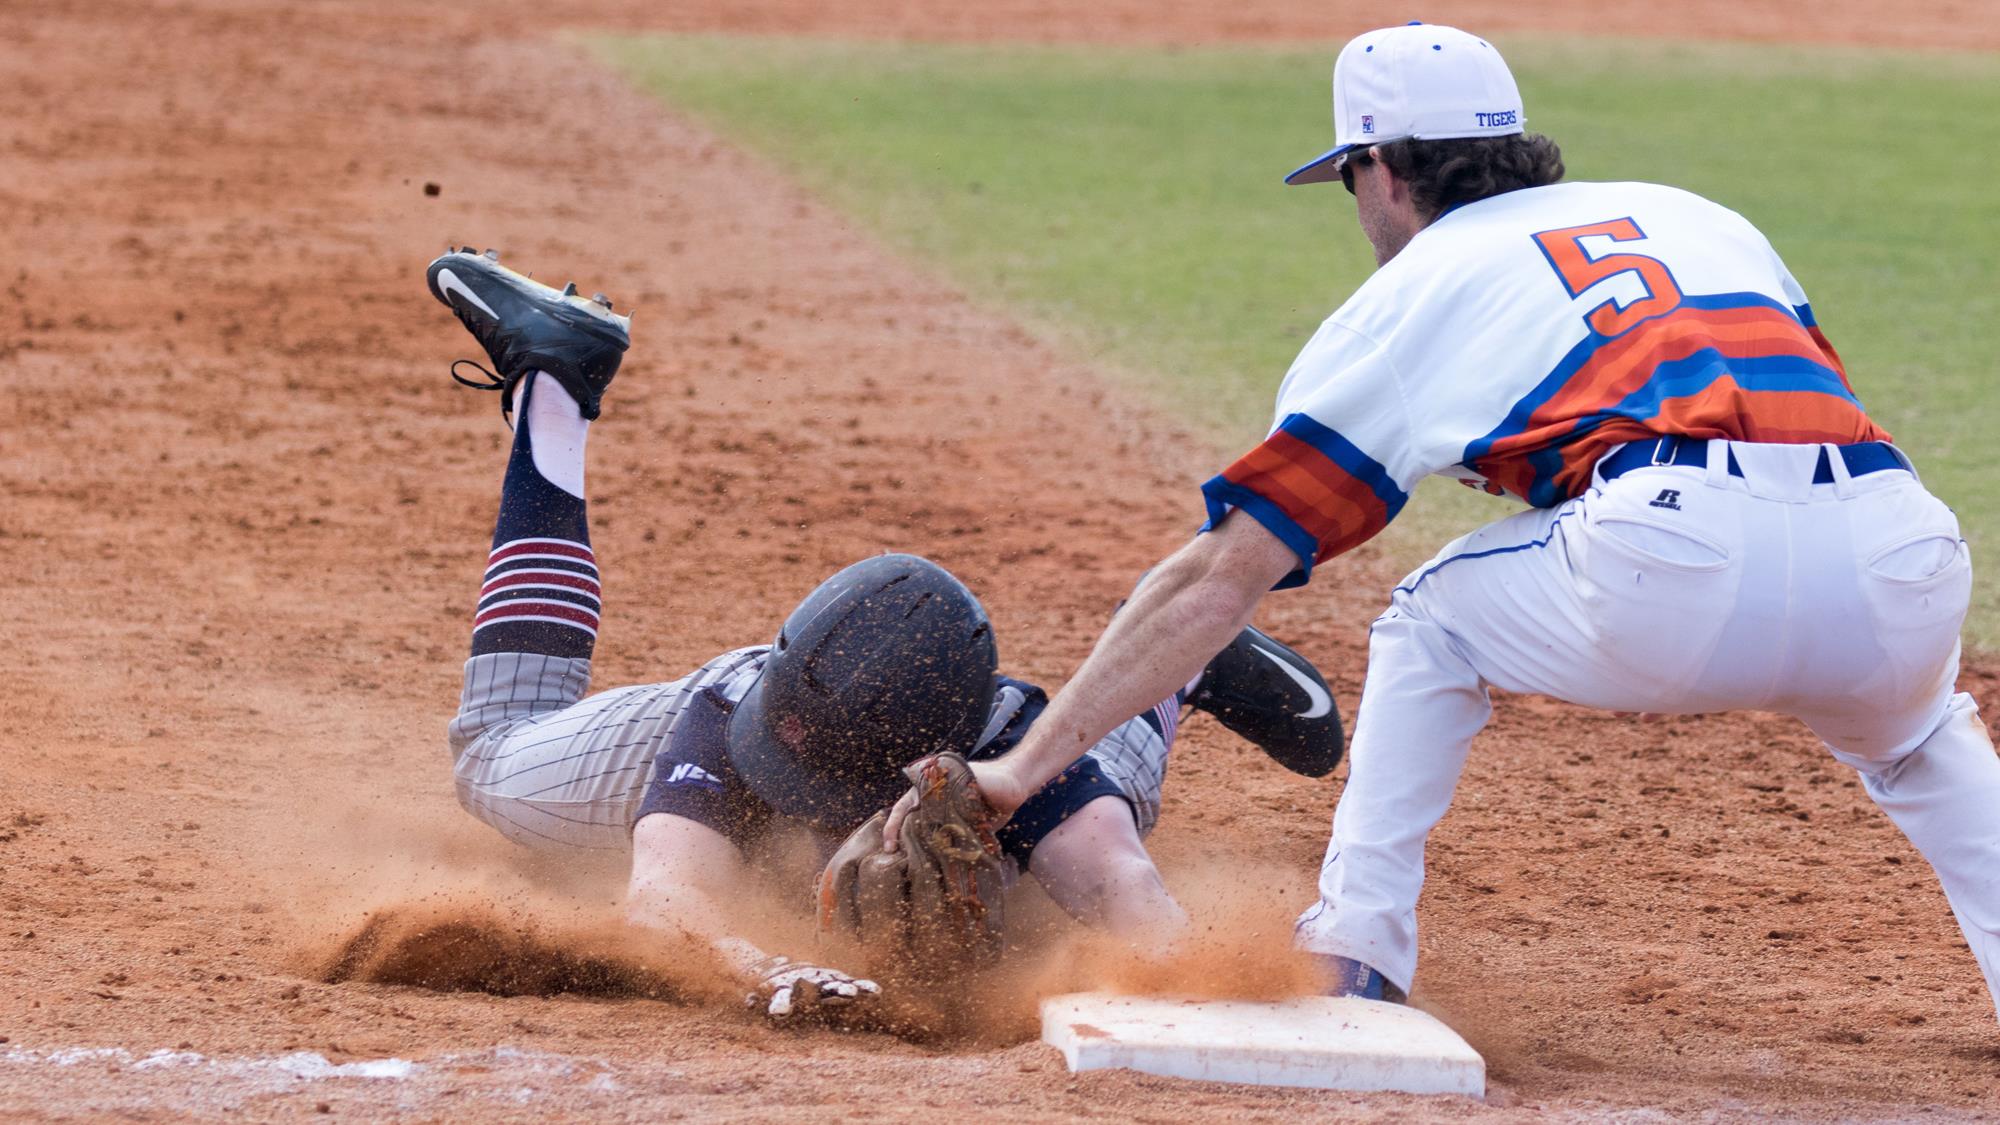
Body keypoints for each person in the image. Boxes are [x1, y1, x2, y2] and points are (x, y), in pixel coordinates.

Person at [886, 21, 2000, 1018]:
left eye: (1347, 179)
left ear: (1378, 168)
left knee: (1428, 615)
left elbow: (1222, 577)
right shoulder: (1694, 215)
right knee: (1917, 737)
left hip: (1674, 558)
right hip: (1899, 545)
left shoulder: (1409, 293)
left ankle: (1355, 953)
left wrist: (1019, 770)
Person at [423, 248, 1345, 1021]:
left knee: (1111, 803)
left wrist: (1201, 979)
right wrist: (766, 969)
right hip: (702, 720)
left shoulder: (1022, 747)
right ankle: (552, 389)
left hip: (1014, 754)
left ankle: (1177, 660)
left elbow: (1134, 903)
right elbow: (666, 906)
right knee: (489, 760)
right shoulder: (729, 713)